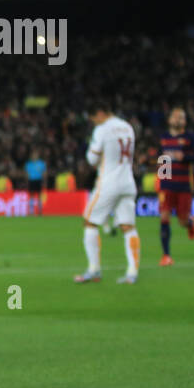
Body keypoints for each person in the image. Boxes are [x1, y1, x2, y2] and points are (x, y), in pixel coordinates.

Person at [74, 103, 140, 285]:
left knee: (89, 221)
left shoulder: (102, 130)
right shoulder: (127, 127)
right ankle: (132, 272)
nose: (93, 122)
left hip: (109, 183)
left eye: (94, 117)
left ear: (101, 113)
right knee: (128, 227)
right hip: (128, 181)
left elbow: (92, 159)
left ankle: (94, 270)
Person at [157, 106, 194, 265]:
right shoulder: (163, 137)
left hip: (184, 185)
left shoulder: (190, 137)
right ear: (170, 119)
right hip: (167, 184)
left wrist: (185, 157)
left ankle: (190, 222)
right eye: (175, 117)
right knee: (164, 216)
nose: (178, 119)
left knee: (182, 221)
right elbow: (162, 158)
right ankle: (166, 256)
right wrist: (161, 181)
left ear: (184, 121)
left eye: (181, 117)